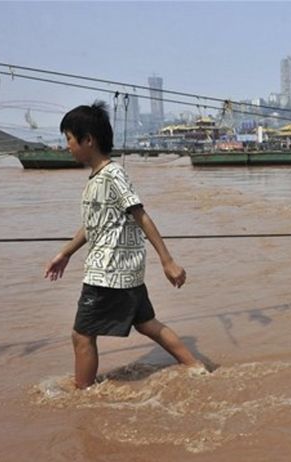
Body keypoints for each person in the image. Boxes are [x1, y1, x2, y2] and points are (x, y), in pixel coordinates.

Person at [44, 101, 201, 389]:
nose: (67, 145)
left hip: (108, 272)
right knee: (147, 324)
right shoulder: (97, 179)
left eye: (68, 138)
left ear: (88, 140)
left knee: (82, 335)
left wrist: (168, 261)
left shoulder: (113, 175)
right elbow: (94, 225)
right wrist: (65, 253)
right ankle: (195, 367)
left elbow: (140, 214)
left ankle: (82, 395)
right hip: (123, 271)